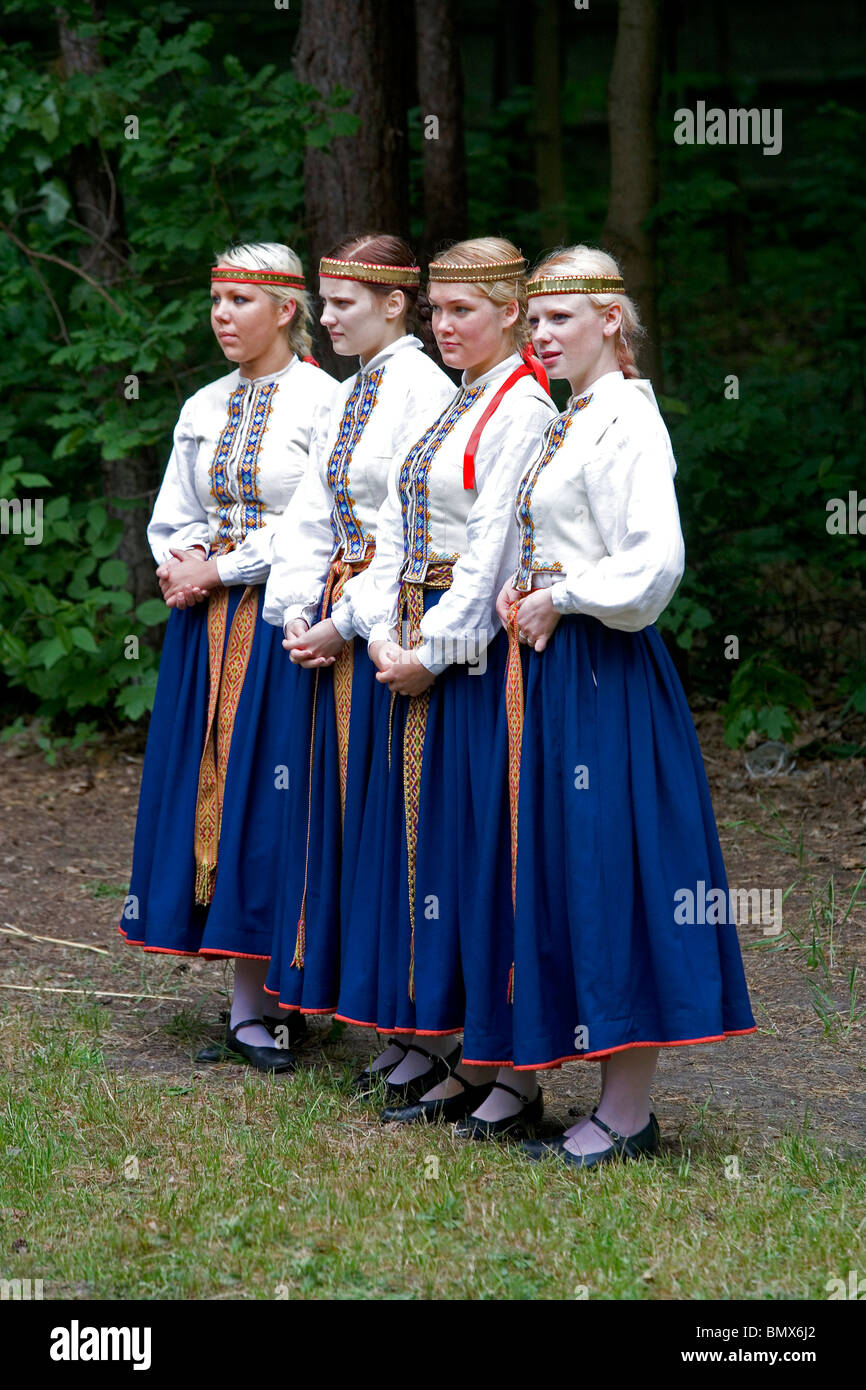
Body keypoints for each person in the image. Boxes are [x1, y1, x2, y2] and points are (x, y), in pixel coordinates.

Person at [483, 244, 755, 1166]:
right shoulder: (572, 418)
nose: (541, 335)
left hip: (605, 673)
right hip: (554, 674)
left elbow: (655, 560)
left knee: (613, 873)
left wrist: (561, 596)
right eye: (533, 321)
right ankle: (580, 1080)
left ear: (612, 320)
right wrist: (522, 590)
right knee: (563, 869)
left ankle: (629, 1114)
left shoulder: (628, 421)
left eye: (560, 318)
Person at [333, 238, 556, 1120]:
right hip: (417, 644)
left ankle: (503, 1066)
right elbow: (397, 529)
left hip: (476, 658)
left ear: (510, 311)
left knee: (476, 854)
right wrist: (386, 632)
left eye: (463, 310)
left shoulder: (524, 408)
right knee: (420, 848)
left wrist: (434, 654)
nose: (445, 325)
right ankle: (440, 1038)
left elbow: (494, 544)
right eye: (436, 311)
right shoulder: (456, 403)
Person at [119, 241, 336, 1073]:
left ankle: (299, 992)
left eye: (241, 300)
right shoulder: (205, 405)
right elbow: (175, 511)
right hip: (204, 633)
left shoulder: (325, 401)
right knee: (214, 792)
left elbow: (324, 516)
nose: (221, 315)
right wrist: (187, 557)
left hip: (289, 623)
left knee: (279, 797)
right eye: (216, 299)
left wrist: (227, 564)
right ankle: (248, 1005)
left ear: (287, 309)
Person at [260, 234, 454, 1030]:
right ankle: (357, 999)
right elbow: (313, 508)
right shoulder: (349, 391)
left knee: (392, 817)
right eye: (326, 302)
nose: (327, 317)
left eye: (343, 304)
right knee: (334, 812)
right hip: (333, 621)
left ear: (393, 303)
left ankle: (413, 1012)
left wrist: (344, 622)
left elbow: (408, 524)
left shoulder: (423, 388)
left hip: (388, 621)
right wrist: (296, 608)